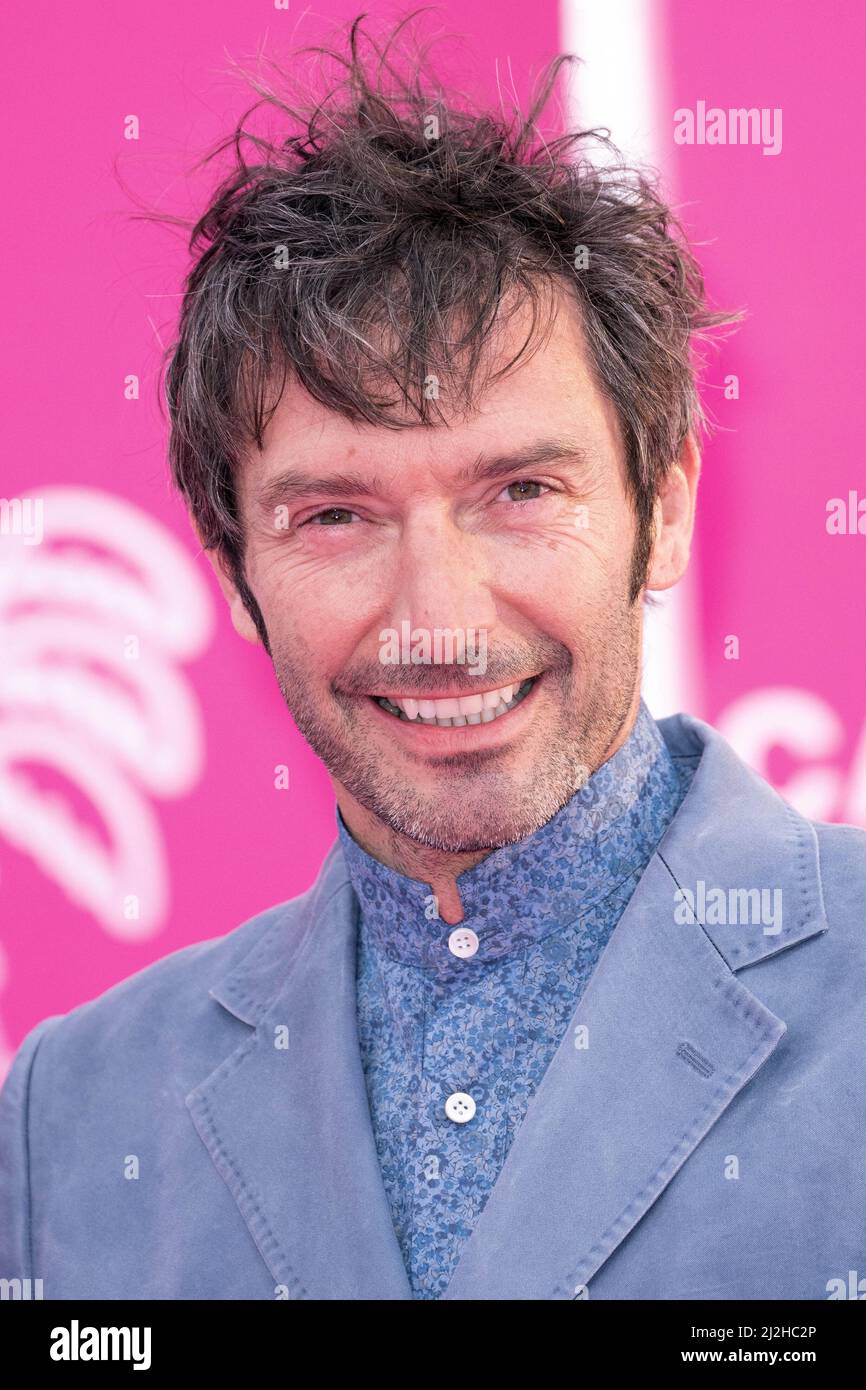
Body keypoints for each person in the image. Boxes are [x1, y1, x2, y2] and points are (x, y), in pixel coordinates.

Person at [2, 16, 864, 1301]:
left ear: (663, 502)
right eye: (334, 515)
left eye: (517, 489)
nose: (434, 618)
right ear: (232, 566)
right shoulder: (68, 1115)